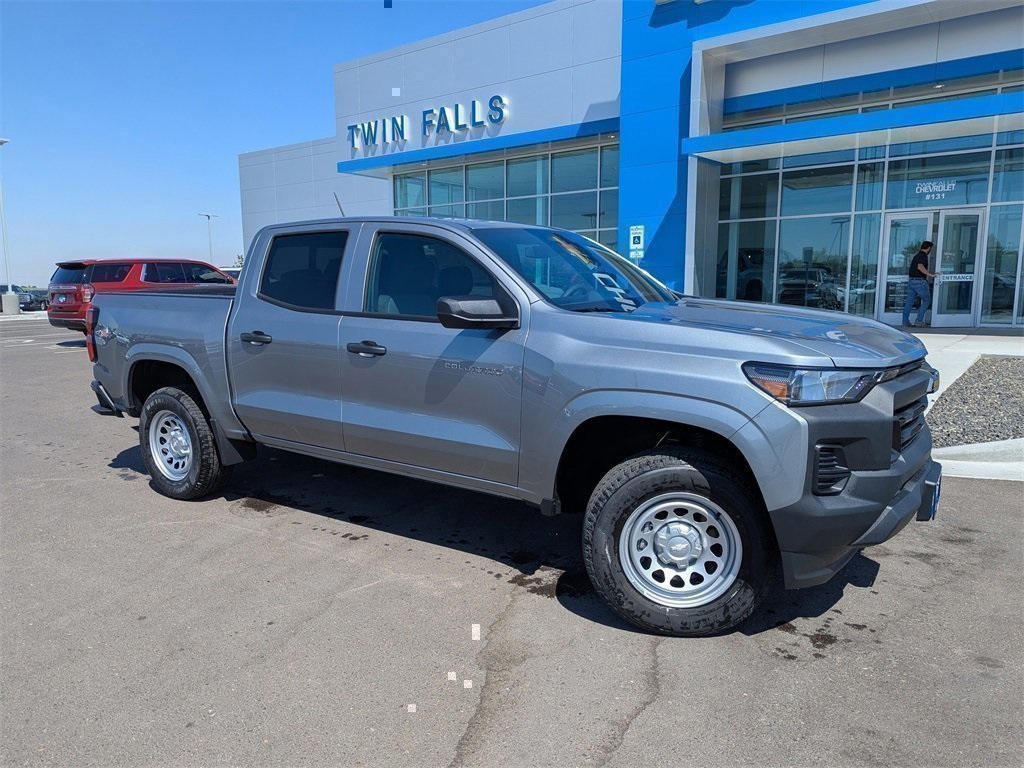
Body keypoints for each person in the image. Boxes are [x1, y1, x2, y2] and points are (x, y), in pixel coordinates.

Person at [902, 240, 936, 327]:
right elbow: (920, 266)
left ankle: (905, 322)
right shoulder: (923, 256)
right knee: (926, 301)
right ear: (928, 248)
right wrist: (930, 274)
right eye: (930, 248)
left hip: (911, 281)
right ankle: (919, 321)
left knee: (909, 302)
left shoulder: (916, 255)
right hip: (919, 282)